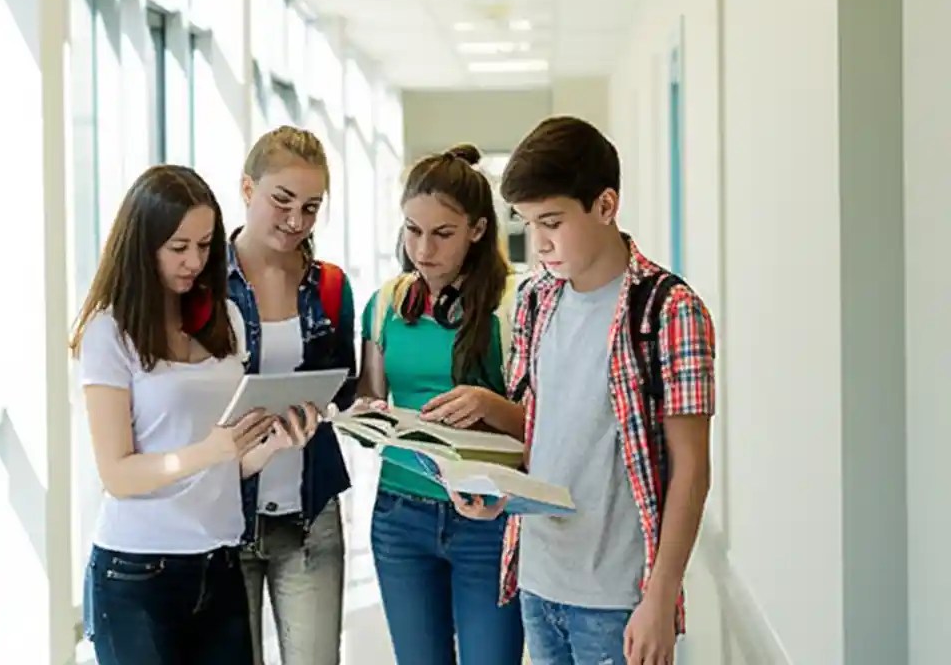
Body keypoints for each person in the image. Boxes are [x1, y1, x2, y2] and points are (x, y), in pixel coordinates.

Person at [487, 116, 717, 665]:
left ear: (606, 205)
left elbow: (692, 468)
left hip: (618, 600)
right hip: (539, 583)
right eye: (525, 222)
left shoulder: (669, 311)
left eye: (552, 221)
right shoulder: (535, 302)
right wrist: (495, 489)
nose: (537, 241)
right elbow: (544, 431)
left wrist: (661, 598)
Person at [71, 165, 321, 665]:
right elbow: (117, 474)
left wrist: (271, 444)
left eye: (205, 246)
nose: (194, 261)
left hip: (220, 565)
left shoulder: (224, 319)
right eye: (178, 247)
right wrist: (212, 449)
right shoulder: (108, 333)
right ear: (142, 246)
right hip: (137, 574)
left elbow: (225, 465)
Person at [355, 144, 526, 665]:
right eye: (411, 230)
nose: (422, 250)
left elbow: (543, 425)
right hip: (399, 516)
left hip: (486, 515)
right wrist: (366, 416)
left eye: (441, 234)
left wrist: (487, 403)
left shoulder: (514, 304)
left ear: (477, 230)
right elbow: (370, 395)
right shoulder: (385, 304)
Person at [227, 126, 355, 665]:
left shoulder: (327, 284)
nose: (295, 221)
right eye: (282, 201)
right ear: (247, 189)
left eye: (311, 207)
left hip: (309, 515)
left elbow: (343, 391)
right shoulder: (205, 282)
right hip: (224, 518)